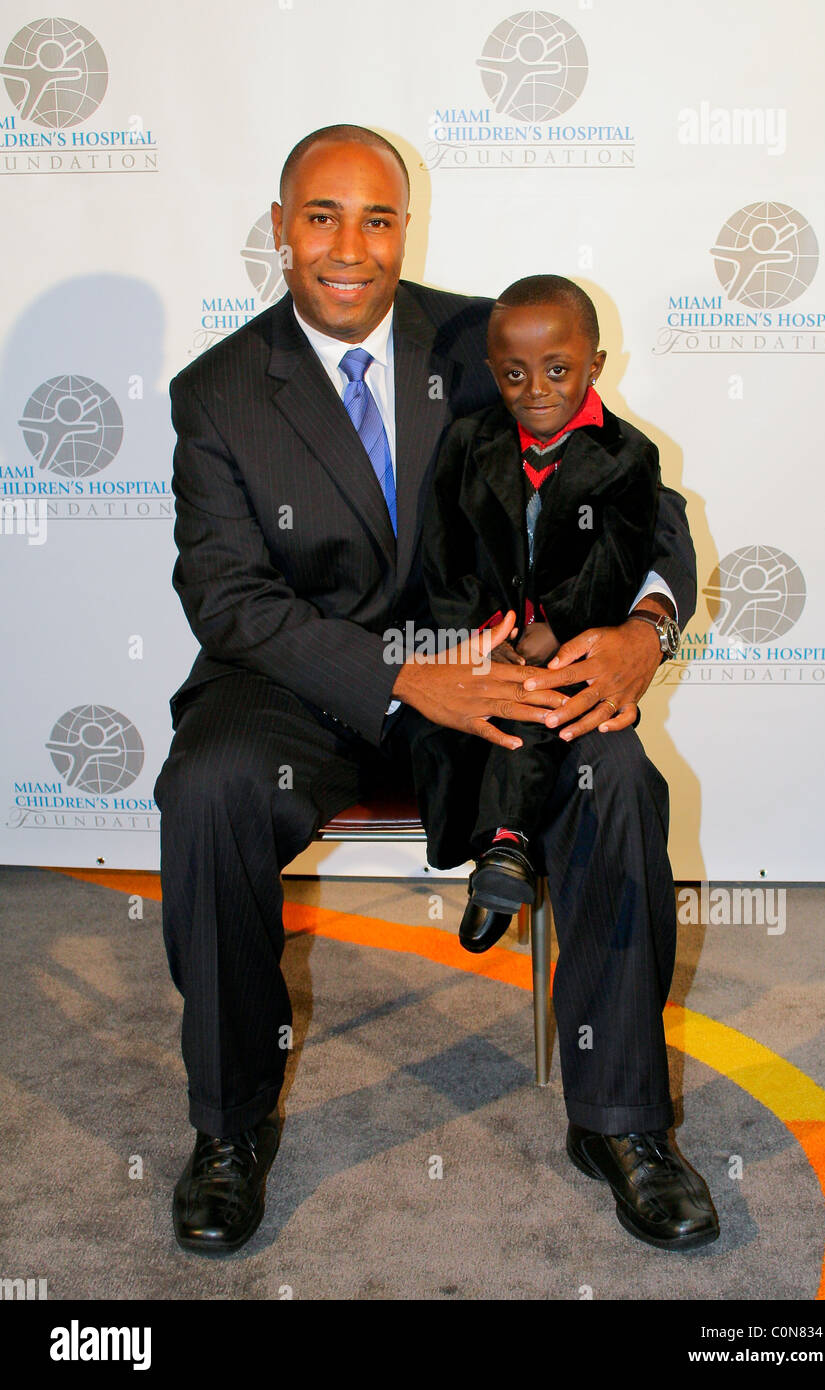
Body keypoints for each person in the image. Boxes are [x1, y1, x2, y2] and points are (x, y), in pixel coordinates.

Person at [155, 123, 719, 1258]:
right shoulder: (215, 394)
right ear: (279, 228)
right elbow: (230, 602)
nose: (351, 247)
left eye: (377, 218)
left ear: (407, 228)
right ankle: (229, 1126)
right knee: (210, 785)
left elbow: (639, 496)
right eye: (322, 217)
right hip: (298, 686)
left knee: (615, 772)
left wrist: (646, 627)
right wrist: (405, 675)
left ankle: (620, 1120)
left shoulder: (477, 338)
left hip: (493, 671)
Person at [409, 274, 661, 952]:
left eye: (557, 370)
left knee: (546, 705)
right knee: (493, 709)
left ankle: (503, 851)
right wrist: (479, 637)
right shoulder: (467, 441)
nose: (536, 389)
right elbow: (443, 547)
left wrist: (560, 629)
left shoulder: (627, 456)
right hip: (485, 644)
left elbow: (619, 558)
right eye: (514, 373)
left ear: (595, 366)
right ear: (493, 371)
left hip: (570, 646)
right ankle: (501, 848)